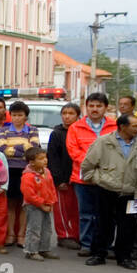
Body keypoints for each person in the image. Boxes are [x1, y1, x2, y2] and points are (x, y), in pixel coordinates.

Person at [80, 113, 137, 269]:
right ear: (123, 127)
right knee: (102, 223)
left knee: (128, 226)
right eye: (135, 126)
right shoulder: (104, 142)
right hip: (106, 189)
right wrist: (97, 180)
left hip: (130, 193)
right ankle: (98, 254)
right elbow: (88, 166)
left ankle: (124, 257)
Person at [67, 93, 118, 257]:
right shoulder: (75, 127)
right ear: (86, 107)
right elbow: (74, 151)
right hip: (83, 178)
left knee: (108, 214)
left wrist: (103, 166)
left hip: (108, 177)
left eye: (98, 106)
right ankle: (87, 244)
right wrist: (93, 164)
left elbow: (118, 150)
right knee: (86, 213)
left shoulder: (115, 127)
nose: (94, 109)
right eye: (91, 106)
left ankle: (106, 245)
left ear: (105, 108)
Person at [0, 100, 39, 248]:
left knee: (24, 204)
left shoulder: (32, 130)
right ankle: (10, 234)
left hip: (26, 171)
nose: (17, 118)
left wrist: (14, 148)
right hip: (10, 170)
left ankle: (21, 235)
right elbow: (2, 149)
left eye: (20, 115)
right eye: (14, 115)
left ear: (25, 116)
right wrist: (22, 148)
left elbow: (32, 149)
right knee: (11, 203)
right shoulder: (4, 130)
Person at [47, 103, 81, 248]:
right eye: (64, 113)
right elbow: (52, 158)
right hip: (62, 178)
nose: (67, 116)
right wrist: (58, 179)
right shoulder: (57, 133)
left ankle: (77, 235)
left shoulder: (81, 132)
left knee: (77, 209)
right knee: (62, 209)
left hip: (79, 178)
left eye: (71, 113)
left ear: (77, 116)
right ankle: (64, 236)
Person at [20, 147, 59, 260]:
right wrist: (41, 204)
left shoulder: (47, 172)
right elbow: (29, 195)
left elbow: (51, 188)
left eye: (45, 157)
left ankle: (44, 248)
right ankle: (31, 250)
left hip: (46, 205)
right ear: (32, 162)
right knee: (34, 228)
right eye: (41, 159)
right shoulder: (28, 176)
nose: (45, 160)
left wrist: (52, 202)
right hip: (33, 206)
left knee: (47, 228)